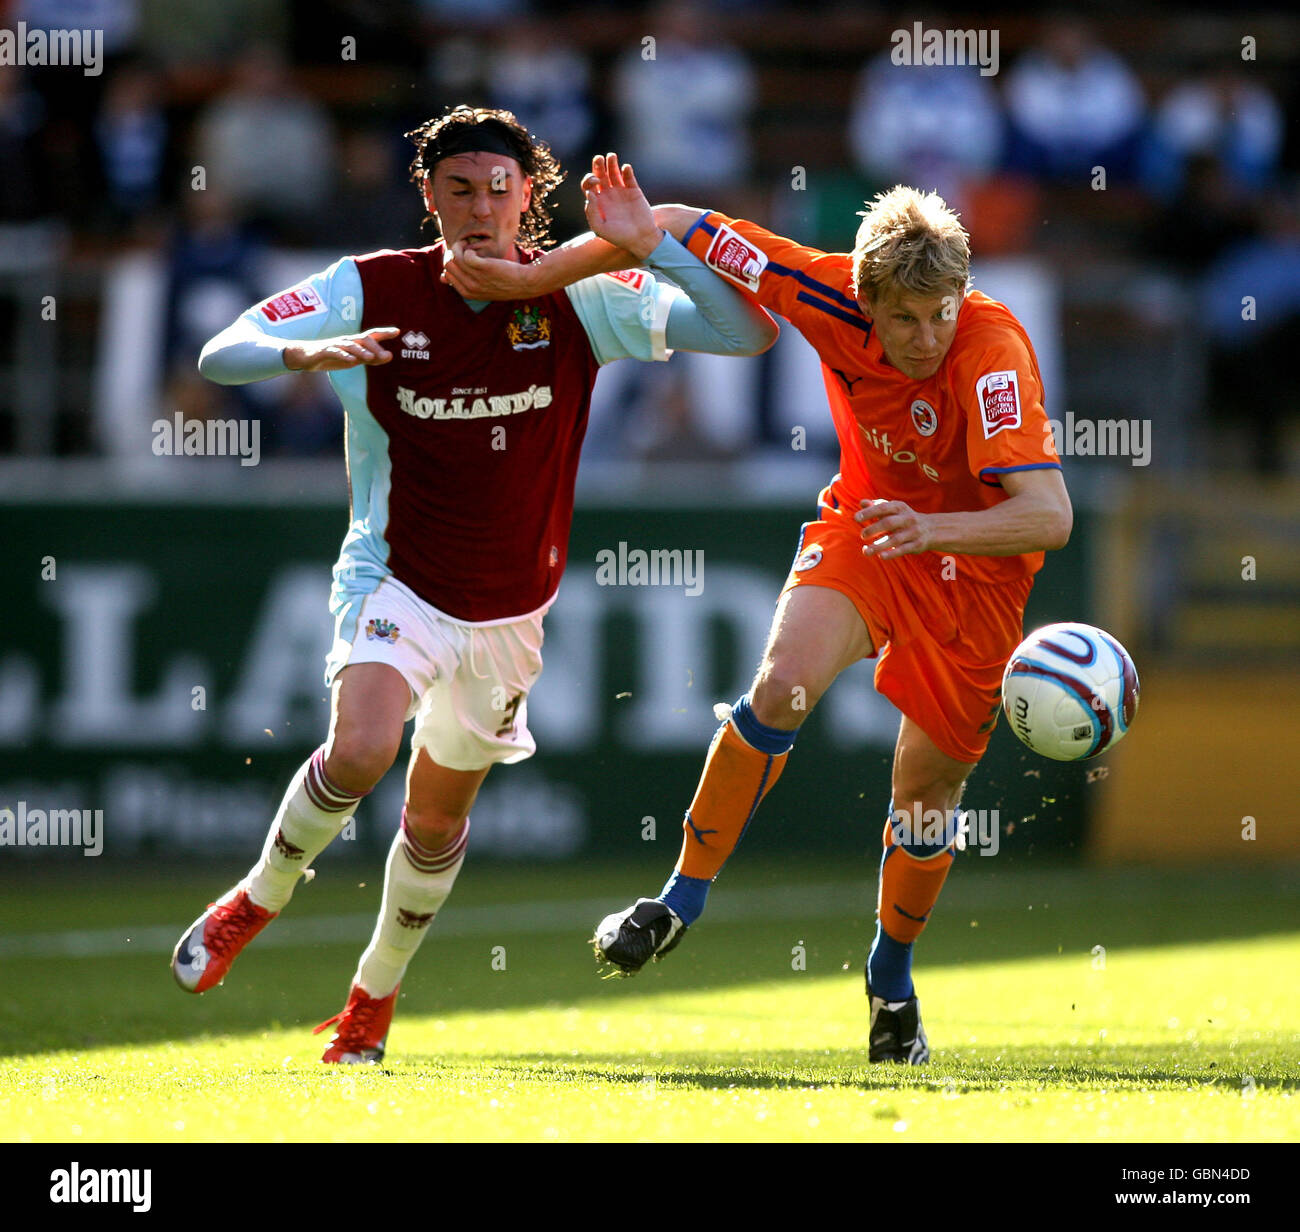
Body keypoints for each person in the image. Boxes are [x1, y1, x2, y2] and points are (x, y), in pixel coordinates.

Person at [170, 106, 778, 1065]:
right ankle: (258, 898)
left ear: (530, 196)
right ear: (430, 199)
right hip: (395, 579)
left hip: (508, 614)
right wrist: (310, 353)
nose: (482, 207)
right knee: (363, 748)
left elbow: (745, 330)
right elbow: (217, 353)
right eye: (460, 188)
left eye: (501, 188)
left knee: (436, 818)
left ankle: (371, 1001)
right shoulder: (369, 287)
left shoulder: (581, 295)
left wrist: (649, 241)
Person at [448, 171, 1072, 1064]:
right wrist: (541, 271)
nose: (926, 336)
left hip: (975, 571)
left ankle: (890, 980)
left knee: (925, 797)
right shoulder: (819, 286)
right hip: (869, 532)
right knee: (779, 688)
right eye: (904, 319)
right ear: (864, 300)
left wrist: (932, 526)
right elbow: (671, 221)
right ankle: (676, 901)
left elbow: (1049, 516)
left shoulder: (993, 351)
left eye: (941, 312)